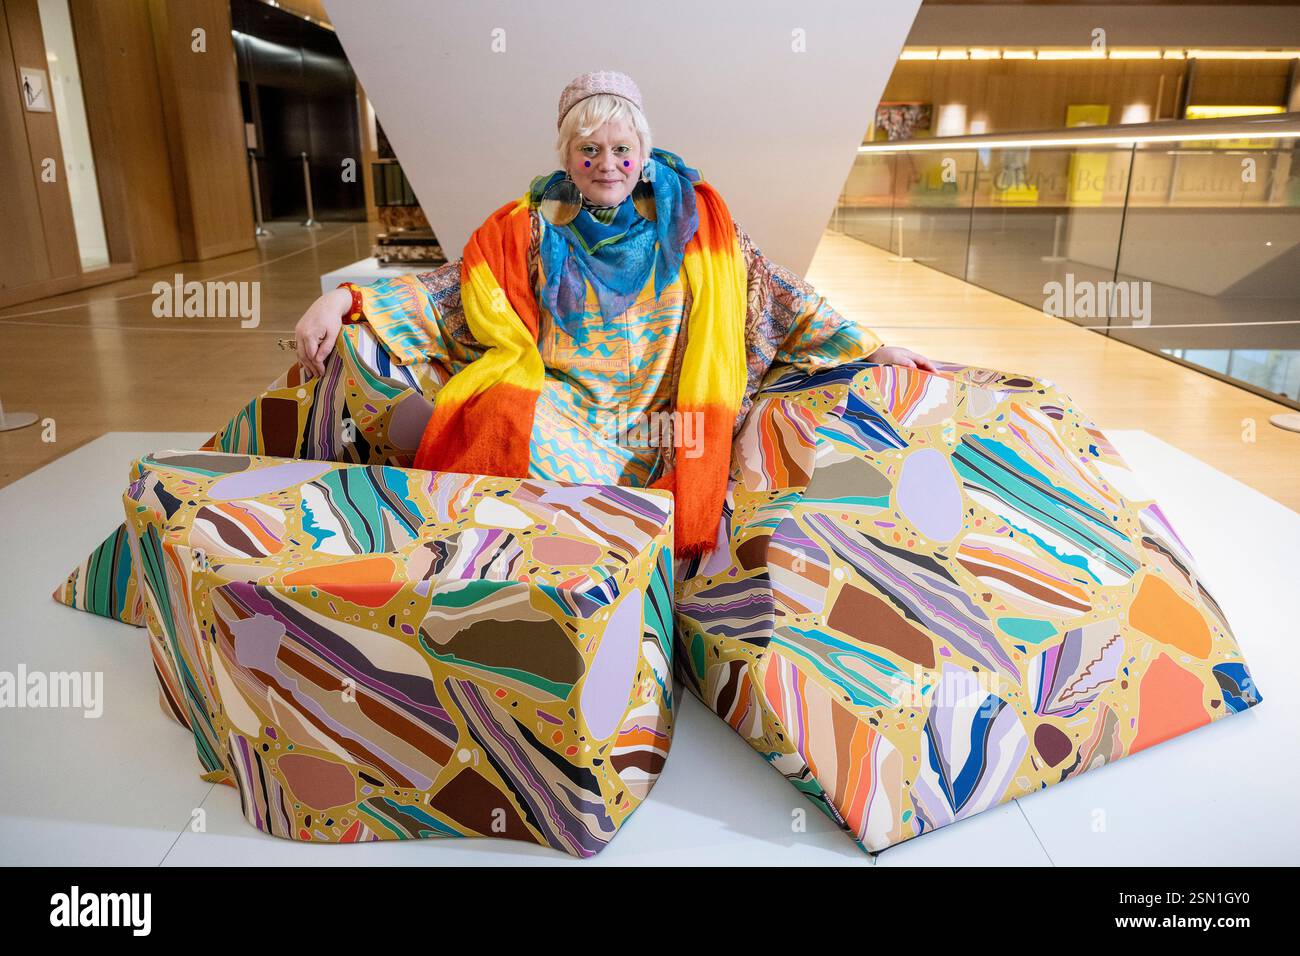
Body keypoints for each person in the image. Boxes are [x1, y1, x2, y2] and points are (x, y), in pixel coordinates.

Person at [286, 70, 934, 558]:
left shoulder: (696, 226)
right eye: (589, 150)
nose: (607, 165)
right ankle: (551, 555)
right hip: (567, 420)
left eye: (622, 149)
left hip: (665, 428)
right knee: (498, 414)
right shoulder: (532, 230)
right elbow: (452, 291)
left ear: (643, 153)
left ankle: (601, 545)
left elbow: (779, 293)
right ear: (566, 157)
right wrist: (342, 298)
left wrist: (871, 348)